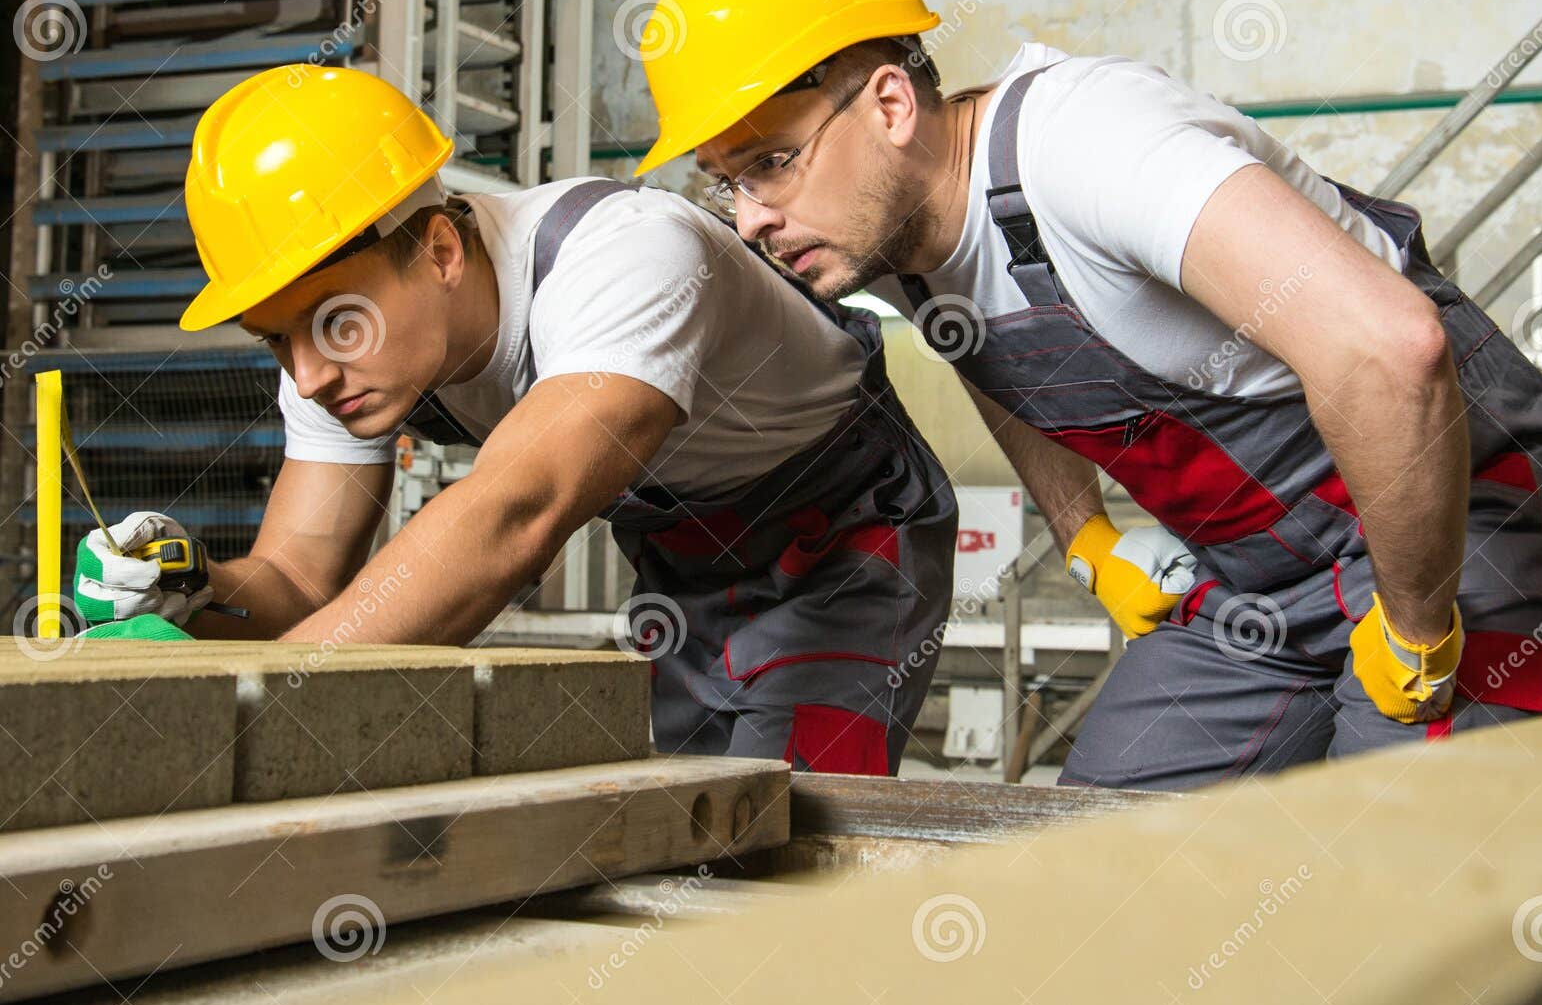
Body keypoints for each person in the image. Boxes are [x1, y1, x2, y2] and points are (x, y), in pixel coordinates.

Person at [633, 0, 1542, 789]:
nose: (752, 219)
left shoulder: (1087, 144)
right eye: (726, 183)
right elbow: (1001, 362)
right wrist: (1085, 539)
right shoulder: (892, 237)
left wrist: (1422, 631)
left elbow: (1393, 351)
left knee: (1388, 889)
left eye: (769, 163)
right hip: (1264, 585)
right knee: (1100, 865)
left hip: (1466, 533)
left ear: (889, 104)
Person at [74, 64, 956, 776]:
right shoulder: (342, 360)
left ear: (441, 250)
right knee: (695, 818)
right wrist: (197, 593)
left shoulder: (625, 254)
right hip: (688, 563)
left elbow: (514, 511)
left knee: (791, 827)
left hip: (843, 534)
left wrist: (244, 705)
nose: (305, 376)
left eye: (334, 324)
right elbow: (298, 580)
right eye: (275, 340)